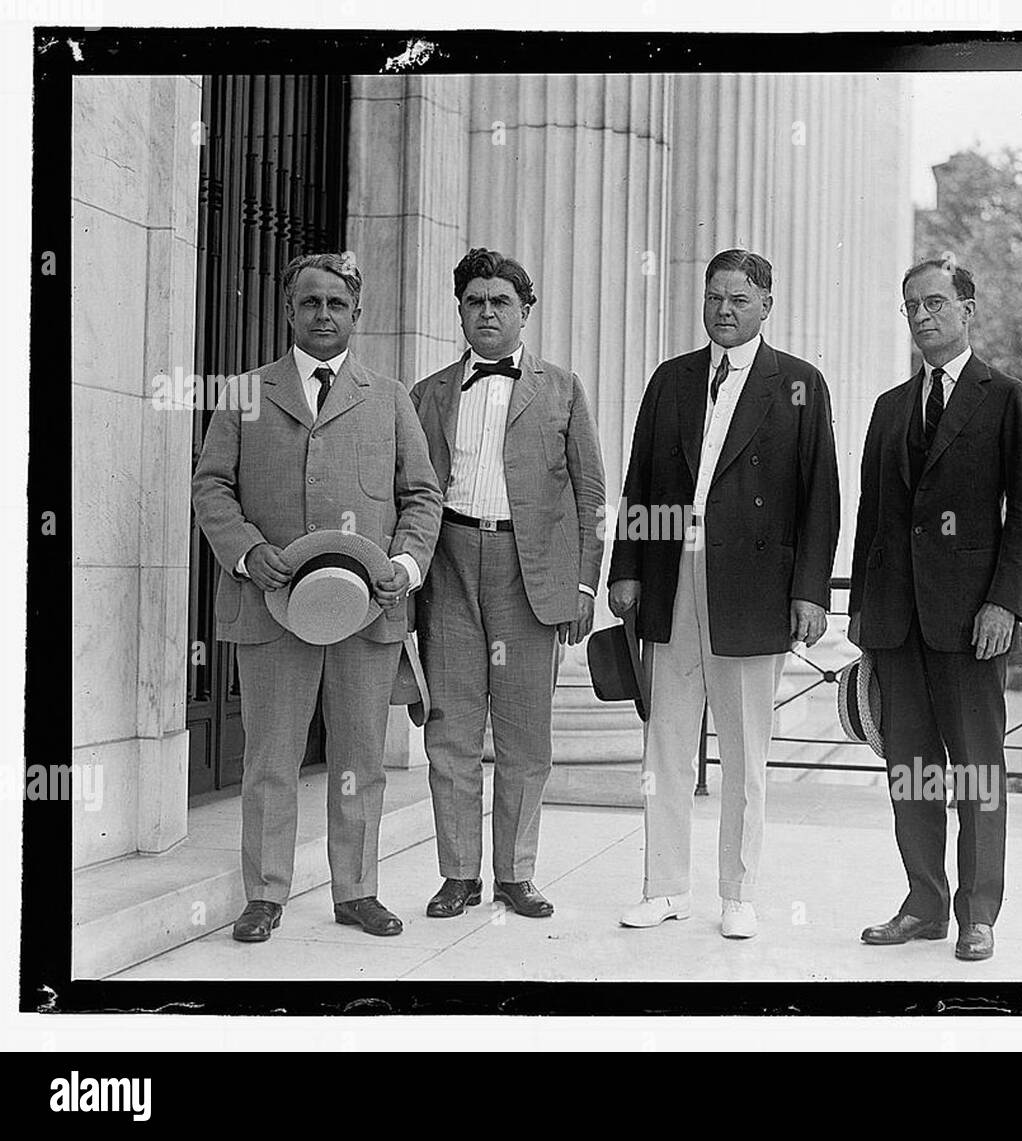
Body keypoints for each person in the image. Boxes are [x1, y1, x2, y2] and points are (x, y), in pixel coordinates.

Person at [192, 251, 442, 942]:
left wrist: (406, 563)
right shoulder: (247, 392)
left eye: (336, 303)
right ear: (289, 311)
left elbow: (422, 494)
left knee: (361, 757)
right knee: (270, 757)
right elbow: (211, 484)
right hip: (271, 609)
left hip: (366, 612)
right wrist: (246, 549)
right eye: (310, 302)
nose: (323, 314)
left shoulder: (389, 397)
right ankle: (265, 893)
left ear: (356, 313)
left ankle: (357, 890)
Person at [610, 248, 839, 940]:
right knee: (666, 744)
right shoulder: (671, 379)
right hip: (671, 573)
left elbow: (820, 496)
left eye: (738, 299)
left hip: (754, 585)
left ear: (766, 305)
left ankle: (738, 892)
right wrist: (626, 567)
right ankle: (664, 887)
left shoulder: (799, 383)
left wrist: (811, 591)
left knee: (745, 749)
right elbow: (639, 481)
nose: (723, 311)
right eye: (714, 297)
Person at [848, 257, 1022, 962]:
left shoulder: (1007, 399)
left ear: (968, 307)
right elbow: (872, 519)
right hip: (897, 623)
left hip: (973, 626)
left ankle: (978, 912)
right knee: (911, 772)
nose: (923, 315)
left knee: (974, 773)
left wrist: (1005, 602)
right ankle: (924, 903)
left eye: (936, 302)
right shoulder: (890, 407)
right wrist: (862, 619)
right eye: (912, 306)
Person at [410, 248, 606, 921]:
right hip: (450, 565)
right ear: (459, 310)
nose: (486, 312)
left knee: (526, 736)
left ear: (524, 311)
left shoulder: (563, 387)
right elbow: (412, 493)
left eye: (500, 302)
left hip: (529, 573)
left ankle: (516, 873)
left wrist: (584, 586)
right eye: (474, 301)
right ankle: (458, 873)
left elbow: (589, 493)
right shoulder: (429, 392)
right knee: (451, 731)